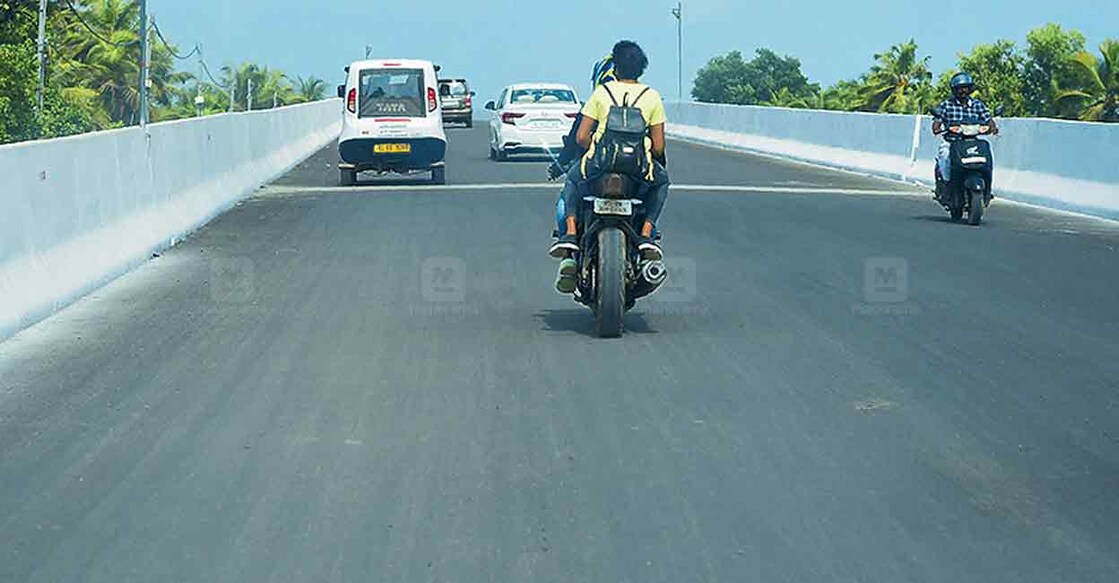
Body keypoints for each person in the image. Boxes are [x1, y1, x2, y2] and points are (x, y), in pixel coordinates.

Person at [550, 40, 671, 294]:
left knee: (572, 182)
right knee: (662, 182)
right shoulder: (652, 97)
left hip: (599, 168)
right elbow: (659, 146)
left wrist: (595, 147)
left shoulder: (601, 94)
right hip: (637, 171)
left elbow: (581, 137)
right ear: (642, 68)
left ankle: (570, 237)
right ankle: (647, 235)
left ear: (615, 67)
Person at [932, 72, 999, 200]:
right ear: (954, 90)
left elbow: (988, 119)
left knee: (987, 153)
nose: (963, 91)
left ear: (970, 89)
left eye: (965, 88)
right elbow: (937, 121)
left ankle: (987, 187)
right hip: (952, 141)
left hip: (973, 141)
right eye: (959, 88)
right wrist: (937, 127)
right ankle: (946, 186)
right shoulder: (947, 105)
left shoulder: (977, 105)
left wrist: (993, 127)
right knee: (945, 155)